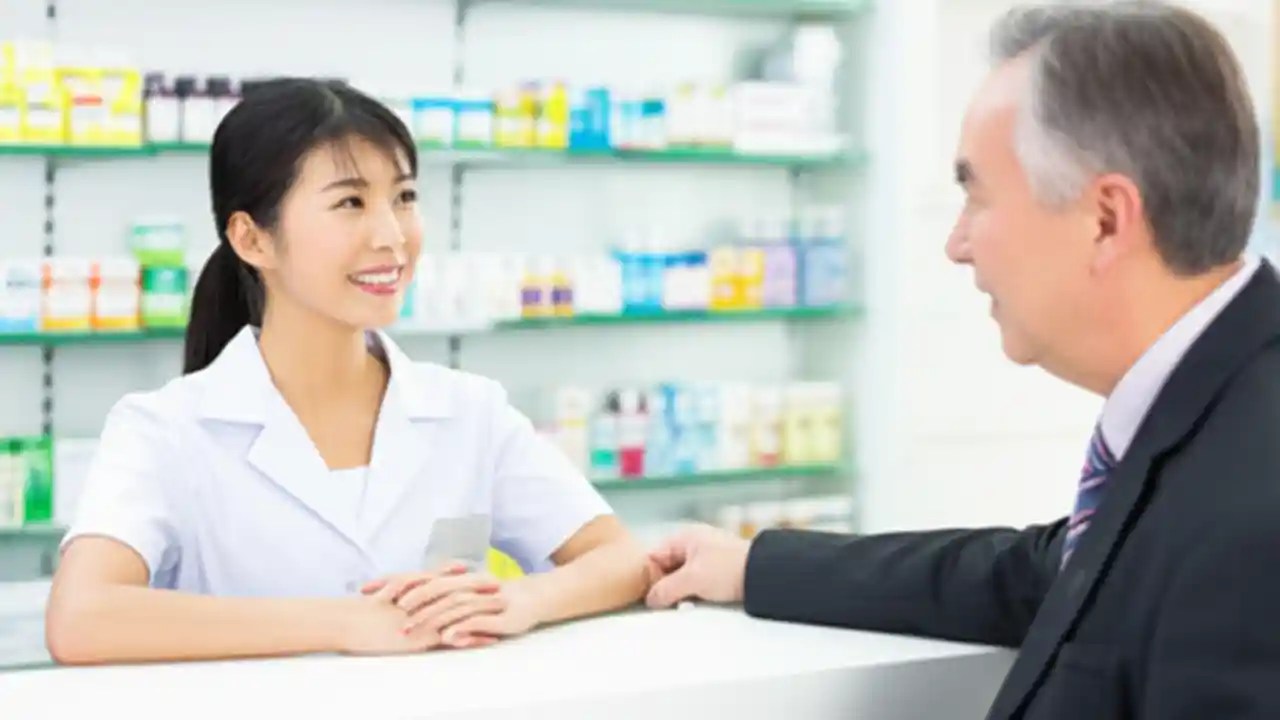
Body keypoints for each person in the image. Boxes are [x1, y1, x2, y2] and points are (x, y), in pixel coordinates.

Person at [645, 3, 1280, 718]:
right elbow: (1046, 574)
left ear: (1105, 219)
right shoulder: (1214, 414)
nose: (957, 243)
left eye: (976, 195)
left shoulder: (1253, 513)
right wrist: (758, 565)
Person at [45, 78, 649, 665]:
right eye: (350, 203)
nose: (392, 236)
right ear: (253, 240)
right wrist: (345, 622)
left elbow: (621, 559)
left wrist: (518, 599)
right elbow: (80, 618)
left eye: (404, 198)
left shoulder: (470, 411)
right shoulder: (165, 428)